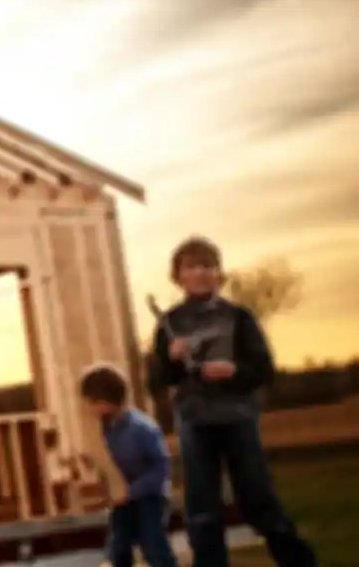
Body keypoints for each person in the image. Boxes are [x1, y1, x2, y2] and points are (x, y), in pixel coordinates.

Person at [150, 236, 315, 567]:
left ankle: (299, 562)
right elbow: (157, 381)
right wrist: (170, 358)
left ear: (218, 274)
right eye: (192, 267)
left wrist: (234, 371)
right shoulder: (169, 323)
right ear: (178, 276)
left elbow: (264, 370)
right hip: (195, 422)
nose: (200, 272)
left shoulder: (240, 317)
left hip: (238, 418)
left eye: (208, 266)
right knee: (202, 510)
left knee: (259, 500)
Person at [79, 364, 178, 567]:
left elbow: (161, 468)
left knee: (152, 542)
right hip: (124, 498)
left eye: (91, 401)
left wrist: (132, 491)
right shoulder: (106, 428)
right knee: (119, 542)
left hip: (150, 496)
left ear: (105, 401)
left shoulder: (142, 428)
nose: (89, 407)